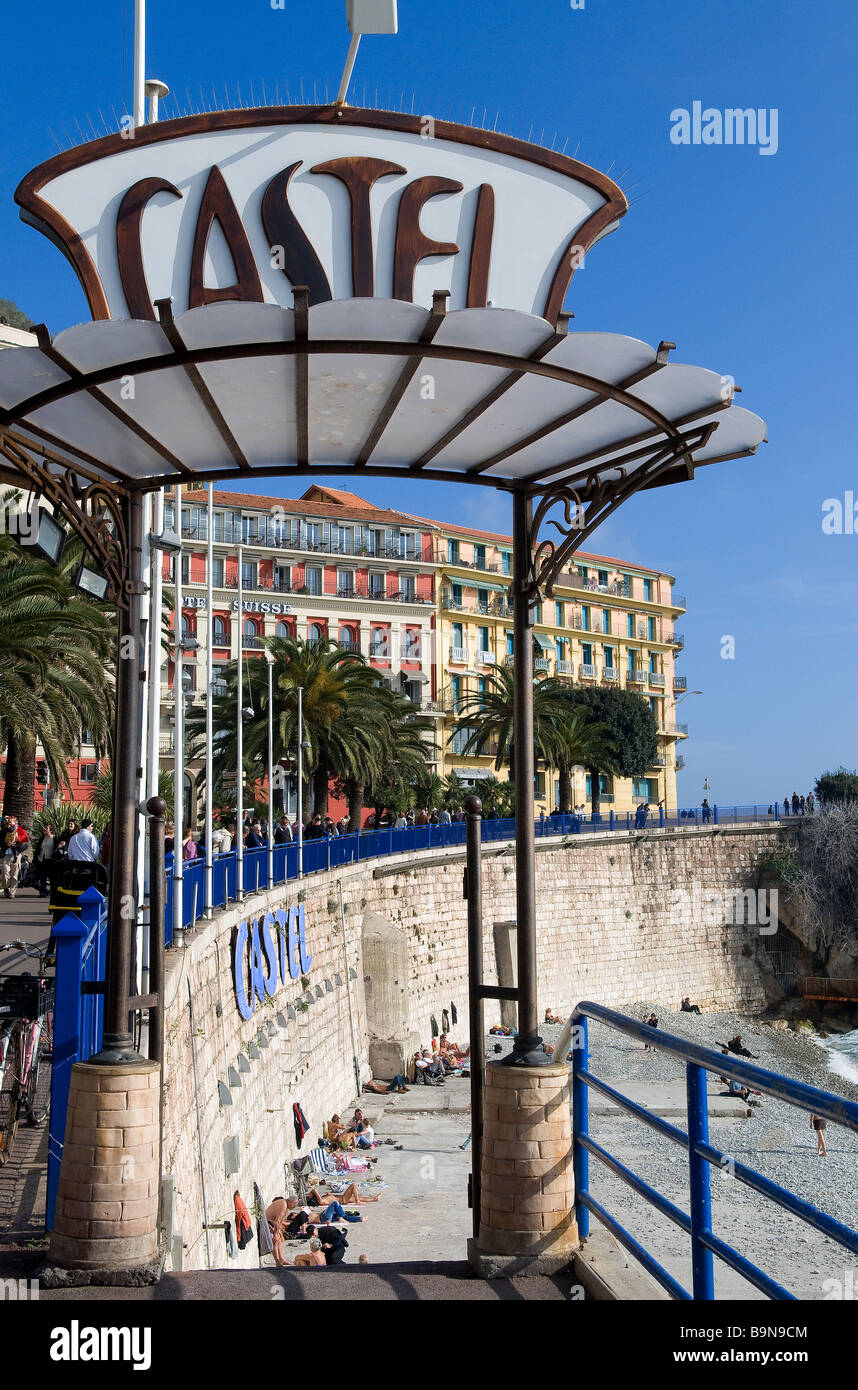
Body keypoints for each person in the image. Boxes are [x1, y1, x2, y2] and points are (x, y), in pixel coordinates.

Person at [1, 815, 29, 899]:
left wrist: (16, 845)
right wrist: (6, 844)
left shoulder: (20, 830)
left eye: (11, 822)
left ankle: (12, 892)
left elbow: (25, 842)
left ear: (15, 822)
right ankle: (6, 888)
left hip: (16, 854)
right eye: (9, 822)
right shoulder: (4, 831)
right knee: (5, 873)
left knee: (14, 874)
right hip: (6, 854)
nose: (10, 823)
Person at [34, 821, 56, 897]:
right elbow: (38, 849)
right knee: (42, 877)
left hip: (50, 861)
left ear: (51, 830)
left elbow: (56, 850)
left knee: (51, 878)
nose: (45, 829)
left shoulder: (54, 839)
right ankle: (43, 892)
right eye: (45, 828)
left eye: (47, 828)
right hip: (42, 860)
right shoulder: (42, 838)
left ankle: (53, 892)